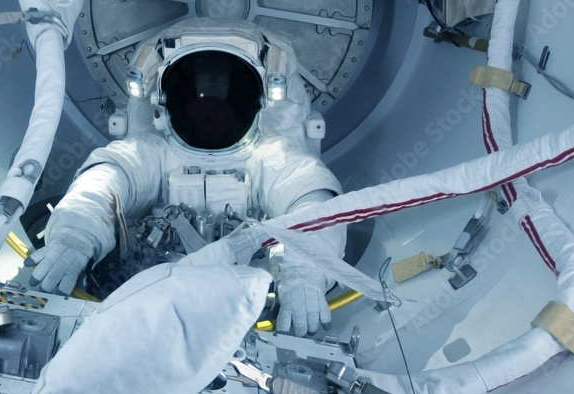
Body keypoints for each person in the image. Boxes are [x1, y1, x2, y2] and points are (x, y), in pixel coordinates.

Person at [26, 19, 346, 337]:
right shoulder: (153, 153)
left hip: (248, 321)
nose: (209, 109)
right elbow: (105, 181)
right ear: (165, 104)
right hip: (143, 309)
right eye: (195, 98)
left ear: (257, 104)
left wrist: (305, 271)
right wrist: (77, 233)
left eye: (226, 98)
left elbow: (313, 203)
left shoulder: (272, 158)